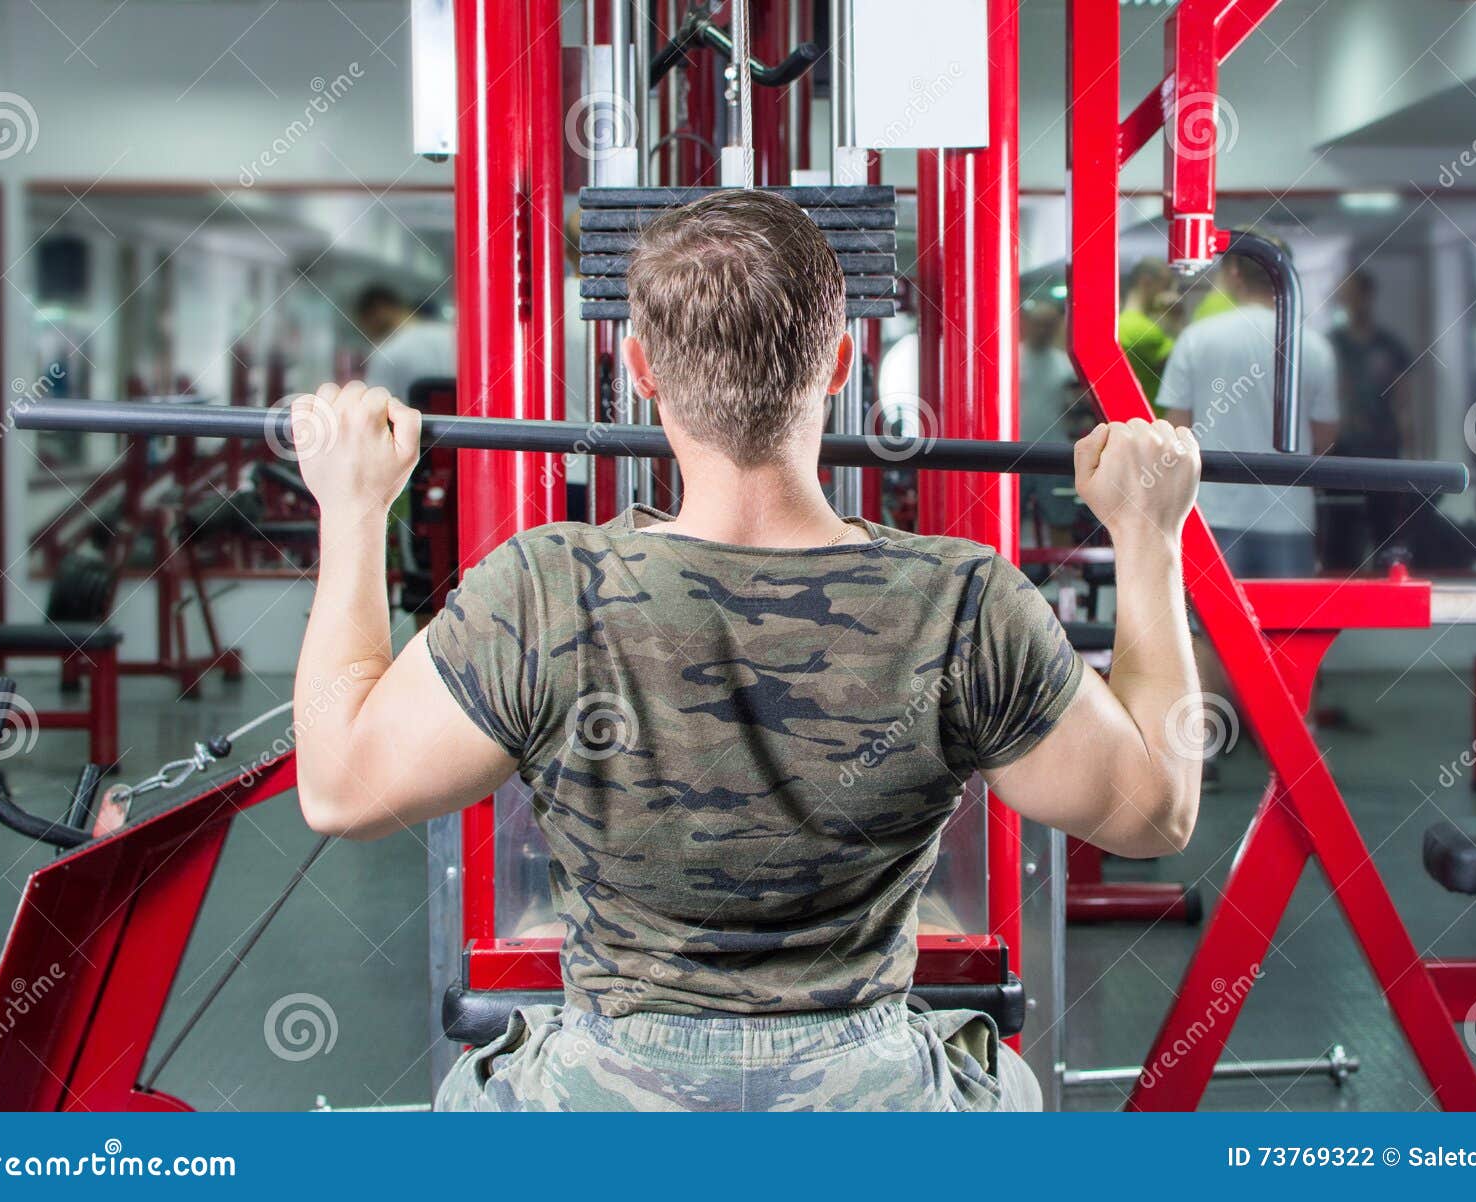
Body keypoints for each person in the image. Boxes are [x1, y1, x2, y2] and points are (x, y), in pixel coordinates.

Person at [287, 192, 1203, 1112]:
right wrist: (1149, 537)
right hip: (872, 1100)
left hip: (603, 1101)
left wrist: (354, 508)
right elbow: (1155, 814)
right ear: (842, 364)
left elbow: (338, 788)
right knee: (1010, 1092)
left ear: (641, 372)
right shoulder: (960, 597)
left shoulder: (547, 587)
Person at [1161, 234, 1339, 578]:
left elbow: (1177, 432)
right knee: (1287, 630)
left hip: (1212, 517)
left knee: (1204, 630)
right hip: (1289, 518)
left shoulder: (1197, 338)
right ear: (1289, 276)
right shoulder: (1315, 346)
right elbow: (1325, 438)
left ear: (1233, 274)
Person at [1328, 269, 1416, 566]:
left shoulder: (1388, 346)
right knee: (1340, 538)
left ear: (1367, 296)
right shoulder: (1331, 346)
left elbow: (1404, 406)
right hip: (1341, 453)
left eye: (1353, 294)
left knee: (1387, 536)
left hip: (1382, 453)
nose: (1349, 301)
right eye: (1344, 295)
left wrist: (1412, 458)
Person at [1019, 300, 1083, 541]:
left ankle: (1062, 576)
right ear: (1028, 324)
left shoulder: (1065, 365)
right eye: (1039, 324)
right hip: (1012, 453)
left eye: (1049, 325)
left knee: (1061, 520)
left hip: (1054, 452)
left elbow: (1078, 405)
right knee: (1006, 523)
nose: (1043, 330)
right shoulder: (1009, 360)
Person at [354, 283, 456, 409]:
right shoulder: (450, 335)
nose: (368, 331)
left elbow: (375, 408)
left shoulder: (385, 353)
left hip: (413, 427)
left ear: (379, 311)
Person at [1120, 258, 1178, 408]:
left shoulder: (1122, 323)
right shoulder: (1142, 329)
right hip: (1153, 417)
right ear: (1146, 282)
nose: (1170, 295)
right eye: (1166, 287)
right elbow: (1183, 364)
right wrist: (1174, 320)